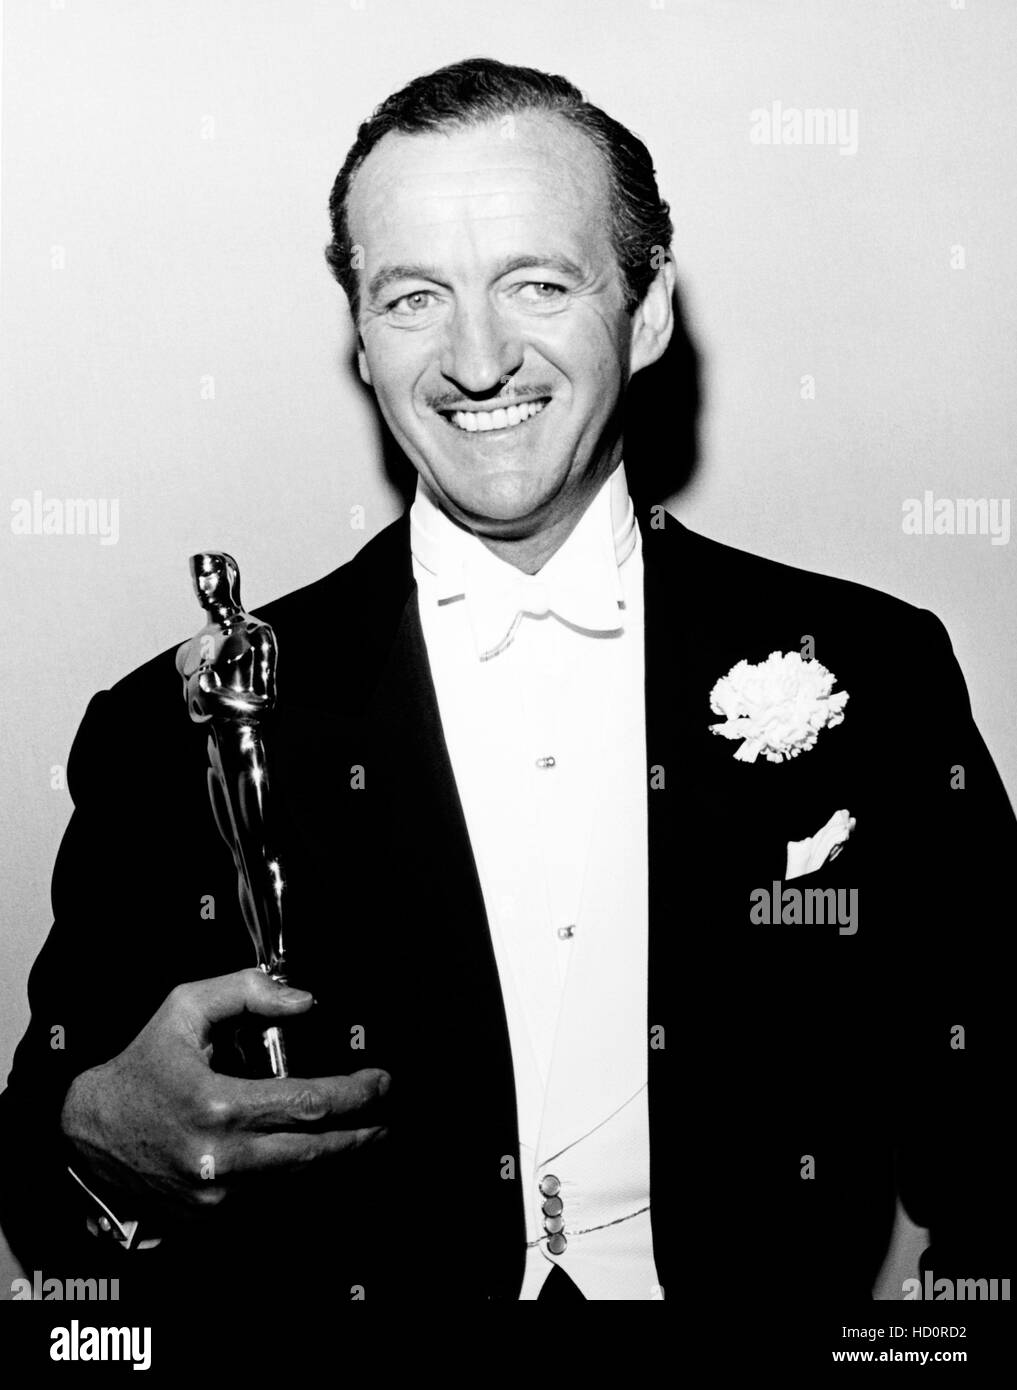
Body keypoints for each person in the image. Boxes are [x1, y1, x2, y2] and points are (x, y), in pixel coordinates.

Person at [1, 58, 1013, 1314]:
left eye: (537, 282)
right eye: (413, 296)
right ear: (361, 339)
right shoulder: (180, 724)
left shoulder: (875, 672)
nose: (477, 360)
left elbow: (1001, 1129)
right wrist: (97, 1136)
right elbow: (47, 1190)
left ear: (645, 312)